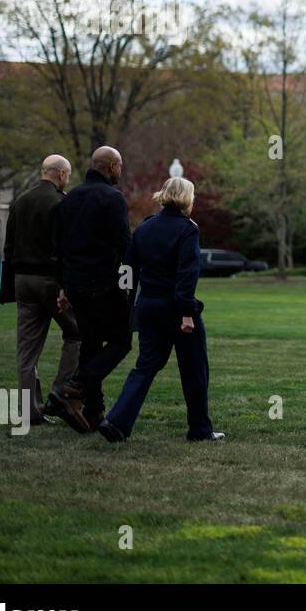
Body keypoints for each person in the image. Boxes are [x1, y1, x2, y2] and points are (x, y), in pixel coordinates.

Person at [97, 177, 222, 443]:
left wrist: (128, 301)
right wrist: (188, 313)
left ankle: (117, 421)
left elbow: (128, 267)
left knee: (145, 366)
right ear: (186, 199)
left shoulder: (145, 227)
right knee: (194, 370)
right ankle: (200, 429)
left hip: (148, 307)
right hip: (177, 309)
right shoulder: (188, 230)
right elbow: (187, 275)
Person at [49, 146, 133, 433]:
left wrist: (63, 286)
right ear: (111, 166)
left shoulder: (68, 199)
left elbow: (57, 248)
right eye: (119, 166)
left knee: (91, 344)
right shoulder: (112, 199)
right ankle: (78, 385)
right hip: (104, 283)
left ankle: (94, 411)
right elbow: (125, 245)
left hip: (75, 284)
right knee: (122, 341)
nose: (121, 171)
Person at [1, 154, 80, 425]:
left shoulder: (20, 201)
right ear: (60, 174)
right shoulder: (61, 203)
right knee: (76, 334)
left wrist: (10, 285)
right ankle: (59, 393)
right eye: (67, 174)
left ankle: (29, 411)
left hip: (22, 280)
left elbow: (8, 248)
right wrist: (64, 286)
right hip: (50, 281)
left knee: (27, 349)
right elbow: (64, 250)